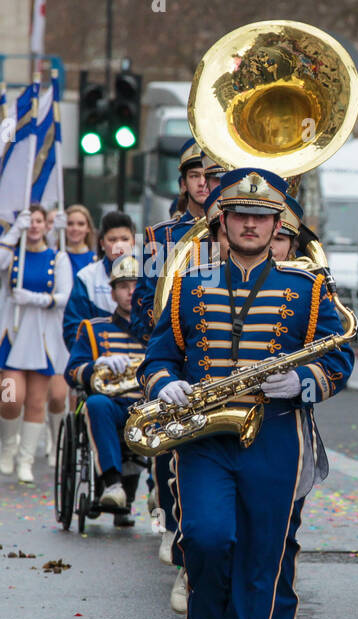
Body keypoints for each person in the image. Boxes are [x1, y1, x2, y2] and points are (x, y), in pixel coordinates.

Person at [141, 167, 354, 619]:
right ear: (223, 220)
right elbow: (159, 355)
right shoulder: (190, 284)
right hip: (204, 438)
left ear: (276, 223)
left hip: (276, 436)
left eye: (262, 217)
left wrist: (303, 381)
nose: (252, 225)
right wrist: (166, 383)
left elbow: (342, 354)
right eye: (241, 215)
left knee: (263, 553)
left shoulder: (306, 289)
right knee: (209, 537)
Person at [133, 138, 209, 567]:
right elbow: (145, 298)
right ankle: (170, 524)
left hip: (214, 357)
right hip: (172, 352)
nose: (202, 184)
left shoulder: (227, 232)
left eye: (208, 176)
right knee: (167, 445)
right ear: (183, 183)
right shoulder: (158, 237)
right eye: (195, 177)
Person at [0, 205, 72, 484]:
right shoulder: (12, 254)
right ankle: (8, 445)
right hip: (12, 335)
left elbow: (65, 296)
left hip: (41, 336)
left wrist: (33, 298)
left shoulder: (58, 257)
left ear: (45, 225)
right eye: (29, 222)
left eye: (38, 221)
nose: (34, 227)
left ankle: (26, 460)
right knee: (10, 397)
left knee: (36, 402)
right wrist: (15, 229)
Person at [64, 256, 145, 525]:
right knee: (96, 404)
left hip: (148, 408)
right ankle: (112, 485)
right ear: (112, 292)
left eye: (136, 284)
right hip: (113, 408)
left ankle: (158, 491)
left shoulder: (159, 330)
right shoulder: (93, 329)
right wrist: (96, 365)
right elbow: (72, 372)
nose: (131, 291)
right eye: (123, 285)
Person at [62, 212, 137, 348]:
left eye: (125, 239)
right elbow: (73, 329)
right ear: (102, 243)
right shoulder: (87, 277)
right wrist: (96, 359)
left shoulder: (150, 276)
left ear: (134, 241)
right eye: (112, 240)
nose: (119, 246)